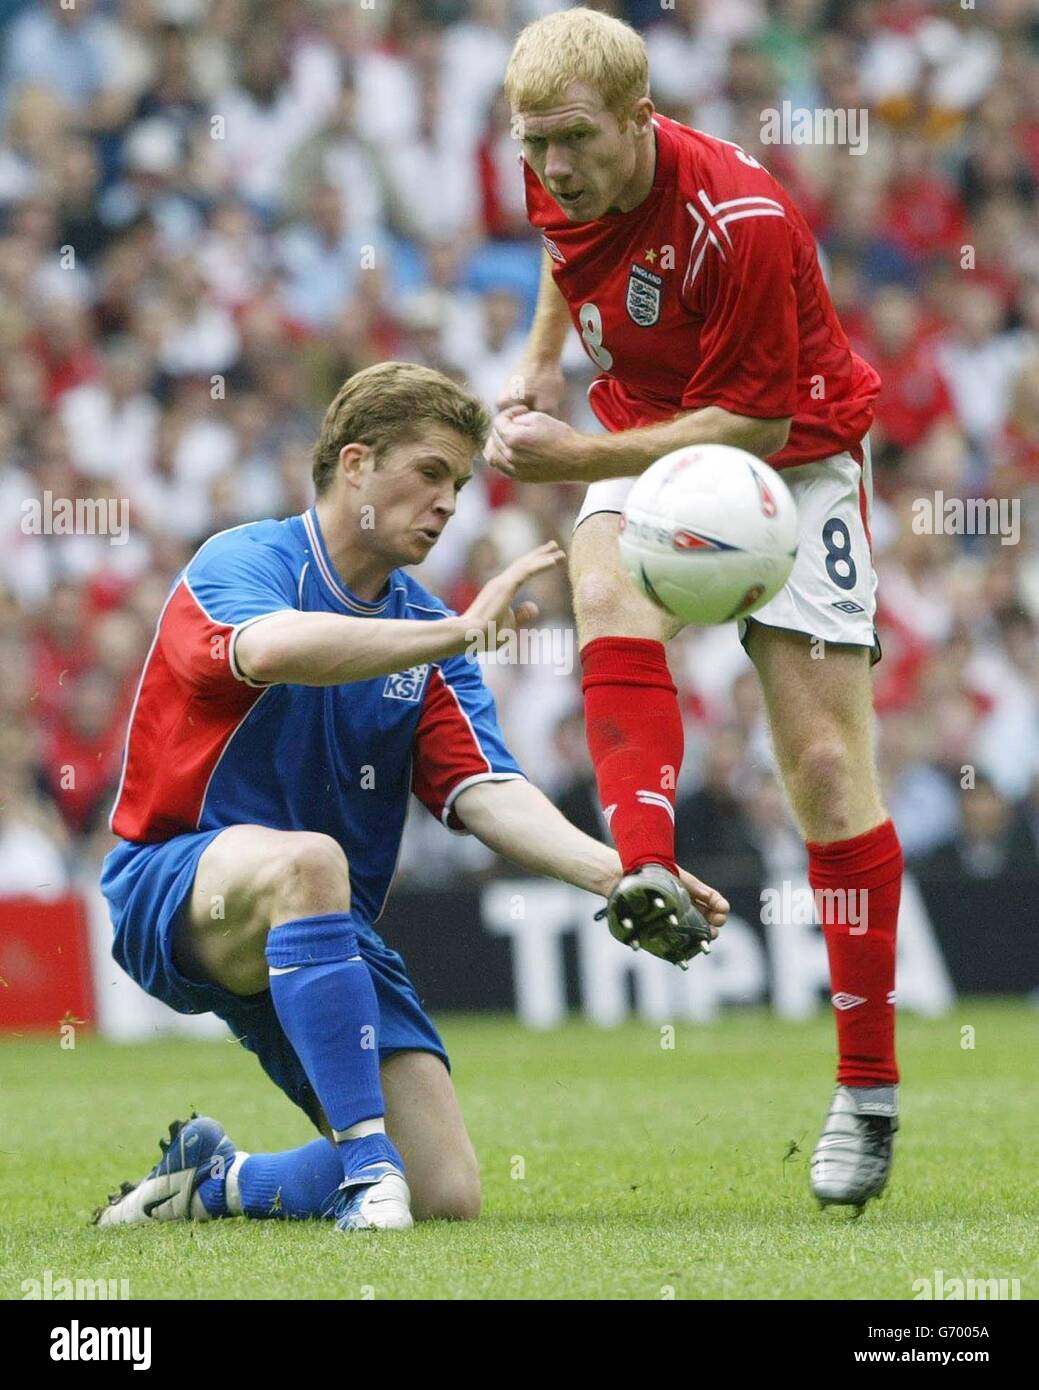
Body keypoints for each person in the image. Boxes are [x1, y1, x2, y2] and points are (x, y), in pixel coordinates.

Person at [93, 361, 727, 1233]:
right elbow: (272, 649)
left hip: (321, 926)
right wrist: (457, 630)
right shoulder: (245, 560)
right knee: (308, 861)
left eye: (460, 485)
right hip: (174, 888)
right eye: (429, 473)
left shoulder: (427, 634)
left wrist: (623, 873)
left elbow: (483, 790)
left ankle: (211, 1182)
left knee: (447, 1194)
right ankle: (364, 1174)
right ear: (355, 464)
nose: (447, 503)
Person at [485, 8, 901, 1210]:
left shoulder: (744, 224)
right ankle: (647, 870)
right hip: (649, 445)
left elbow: (757, 428)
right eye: (533, 144)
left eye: (572, 140)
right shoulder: (554, 167)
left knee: (823, 765)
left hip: (793, 456)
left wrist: (566, 463)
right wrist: (541, 358)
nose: (552, 167)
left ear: (638, 117)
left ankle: (866, 1089)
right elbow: (571, 258)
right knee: (601, 581)